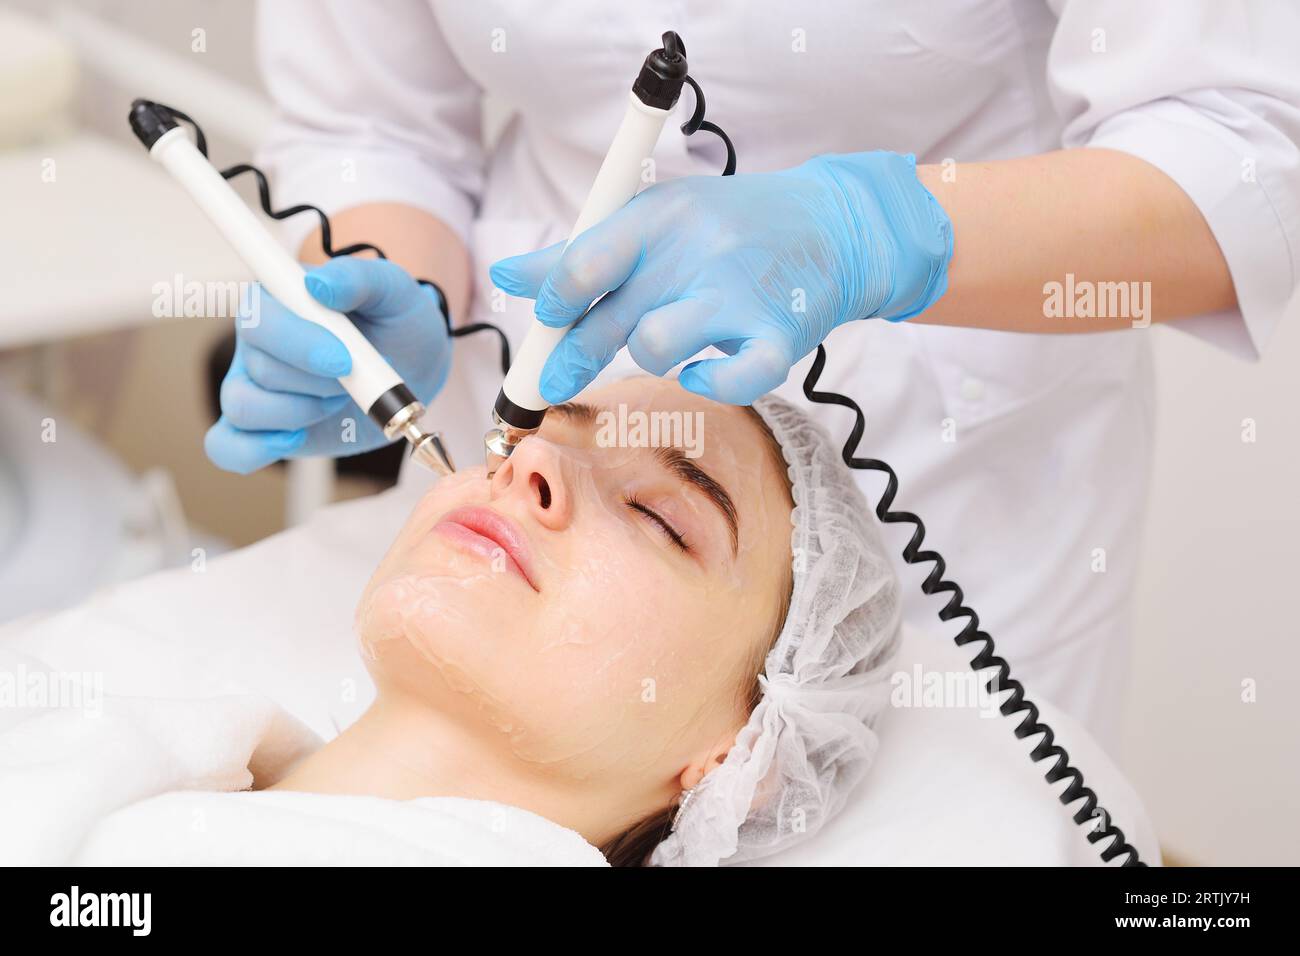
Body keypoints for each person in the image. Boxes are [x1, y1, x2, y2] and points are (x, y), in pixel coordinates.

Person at [207, 1, 1300, 747]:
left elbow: (1241, 153)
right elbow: (374, 122)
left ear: (724, 766)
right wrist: (379, 285)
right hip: (518, 338)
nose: (540, 479)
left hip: (955, 460)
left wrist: (877, 232)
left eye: (675, 521)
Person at [76, 379, 903, 867]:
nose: (531, 464)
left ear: (741, 756)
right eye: (527, 437)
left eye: (659, 516)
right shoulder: (117, 732)